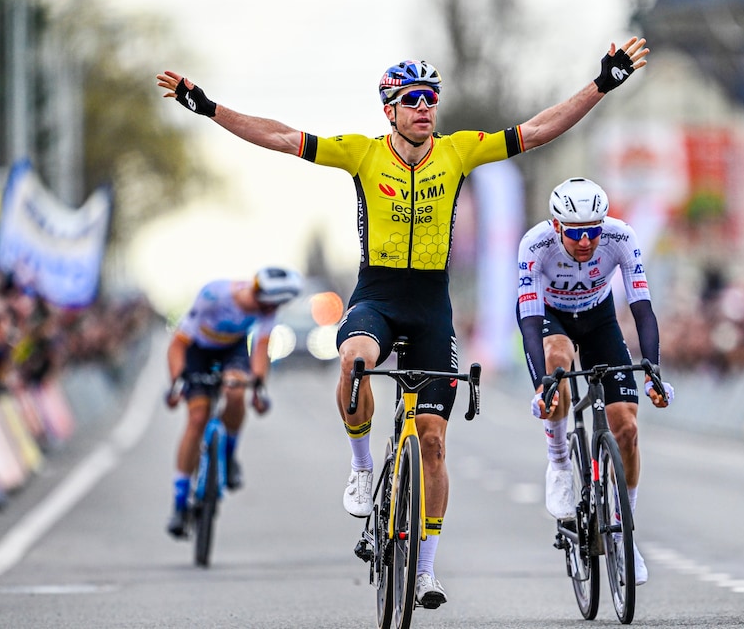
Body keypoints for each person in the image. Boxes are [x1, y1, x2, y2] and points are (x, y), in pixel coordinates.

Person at [157, 37, 649, 607]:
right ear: (389, 110)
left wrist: (603, 83)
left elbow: (537, 130)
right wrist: (210, 108)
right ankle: (363, 467)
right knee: (355, 360)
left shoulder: (459, 152)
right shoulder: (362, 154)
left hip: (432, 306)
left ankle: (425, 571)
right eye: (412, 99)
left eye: (431, 99)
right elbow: (280, 137)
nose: (425, 108)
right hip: (378, 297)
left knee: (434, 443)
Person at [516, 177, 673, 586]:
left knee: (628, 428)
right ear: (556, 226)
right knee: (557, 360)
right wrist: (541, 384)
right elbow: (530, 322)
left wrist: (652, 368)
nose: (586, 242)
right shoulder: (535, 245)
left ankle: (625, 534)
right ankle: (559, 462)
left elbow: (642, 308)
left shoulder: (621, 237)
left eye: (593, 231)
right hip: (553, 318)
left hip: (599, 319)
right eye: (575, 233)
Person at [163, 266, 302, 539]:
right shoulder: (214, 295)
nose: (274, 309)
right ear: (261, 295)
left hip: (232, 350)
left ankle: (228, 454)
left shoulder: (266, 310)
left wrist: (259, 386)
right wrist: (177, 382)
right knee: (197, 417)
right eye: (274, 303)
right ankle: (180, 501)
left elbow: (261, 347)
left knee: (236, 390)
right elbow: (178, 344)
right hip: (197, 350)